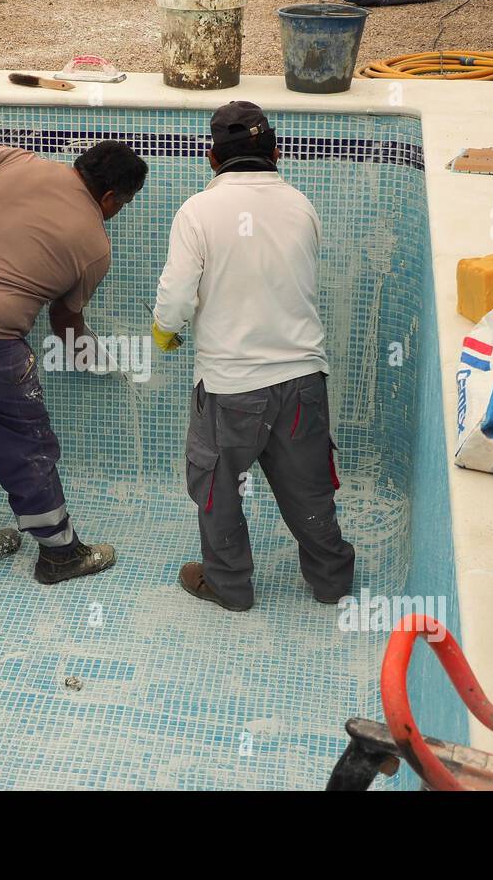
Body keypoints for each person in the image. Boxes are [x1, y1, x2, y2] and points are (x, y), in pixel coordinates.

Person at [0, 72, 149, 585]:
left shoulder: (18, 162)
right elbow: (65, 324)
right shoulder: (95, 247)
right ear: (109, 197)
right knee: (24, 442)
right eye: (120, 206)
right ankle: (60, 553)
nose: (116, 215)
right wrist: (98, 360)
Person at [151, 101, 355, 612]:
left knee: (218, 488)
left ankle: (229, 585)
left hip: (231, 387)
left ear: (212, 157)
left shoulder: (198, 210)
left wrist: (164, 332)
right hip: (303, 380)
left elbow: (176, 299)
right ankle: (331, 580)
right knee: (308, 488)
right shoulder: (301, 205)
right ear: (277, 152)